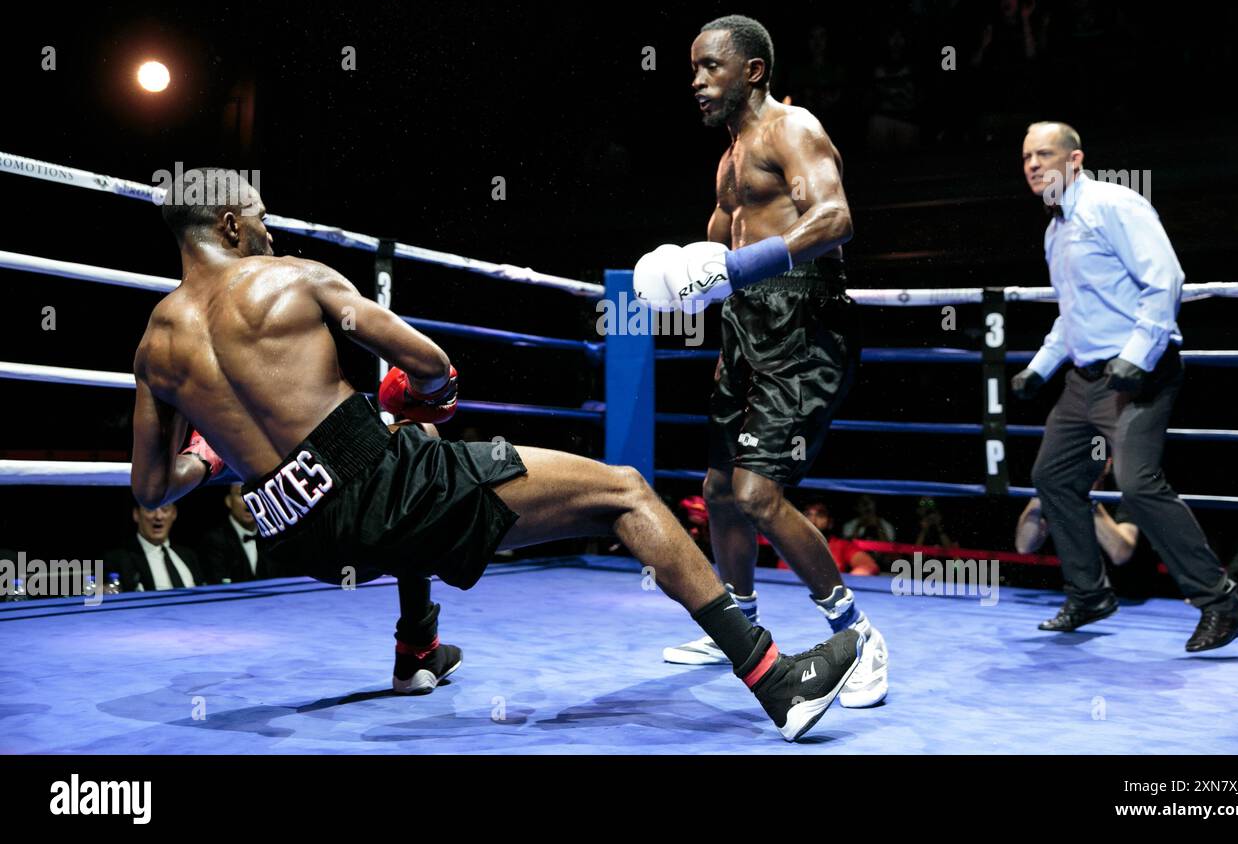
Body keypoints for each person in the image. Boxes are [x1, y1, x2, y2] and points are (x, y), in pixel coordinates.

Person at [128, 168, 861, 741]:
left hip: (302, 537)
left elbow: (157, 488)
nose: (266, 226)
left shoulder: (156, 345)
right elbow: (433, 366)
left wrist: (218, 456)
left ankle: (417, 651)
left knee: (408, 443)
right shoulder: (294, 278)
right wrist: (424, 395)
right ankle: (776, 680)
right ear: (229, 221)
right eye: (257, 214)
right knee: (627, 491)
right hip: (389, 497)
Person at [634, 14, 887, 708]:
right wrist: (677, 273)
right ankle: (739, 624)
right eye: (691, 69)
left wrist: (738, 269)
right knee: (718, 489)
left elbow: (835, 220)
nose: (696, 81)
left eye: (710, 67)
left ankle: (858, 634)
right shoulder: (730, 158)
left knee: (756, 495)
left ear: (752, 70)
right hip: (746, 324)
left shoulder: (791, 129)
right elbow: (715, 254)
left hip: (805, 318)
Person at [1012, 122, 1238, 651]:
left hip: (1141, 373)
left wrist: (1135, 357)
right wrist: (1040, 367)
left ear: (1075, 160)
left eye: (1044, 154)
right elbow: (1071, 317)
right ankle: (1089, 594)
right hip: (1085, 380)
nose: (1033, 164)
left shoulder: (1114, 205)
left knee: (1139, 485)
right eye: (1027, 156)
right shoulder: (1056, 230)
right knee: (1052, 476)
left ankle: (1222, 603)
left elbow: (1165, 279)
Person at [1015, 460, 1139, 566]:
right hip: (1062, 585)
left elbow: (1120, 554)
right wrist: (1044, 488)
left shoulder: (1124, 488)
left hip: (1121, 588)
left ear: (1108, 462)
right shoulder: (1062, 488)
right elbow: (1024, 546)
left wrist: (1086, 498)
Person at [105, 500, 206, 591]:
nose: (158, 516)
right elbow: (91, 594)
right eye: (150, 509)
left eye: (165, 509)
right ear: (136, 514)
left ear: (174, 513)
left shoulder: (188, 555)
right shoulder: (115, 559)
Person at [199, 484, 287, 583]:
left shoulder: (275, 536)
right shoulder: (214, 540)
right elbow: (218, 583)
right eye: (241, 495)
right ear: (229, 501)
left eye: (253, 494)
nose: (248, 502)